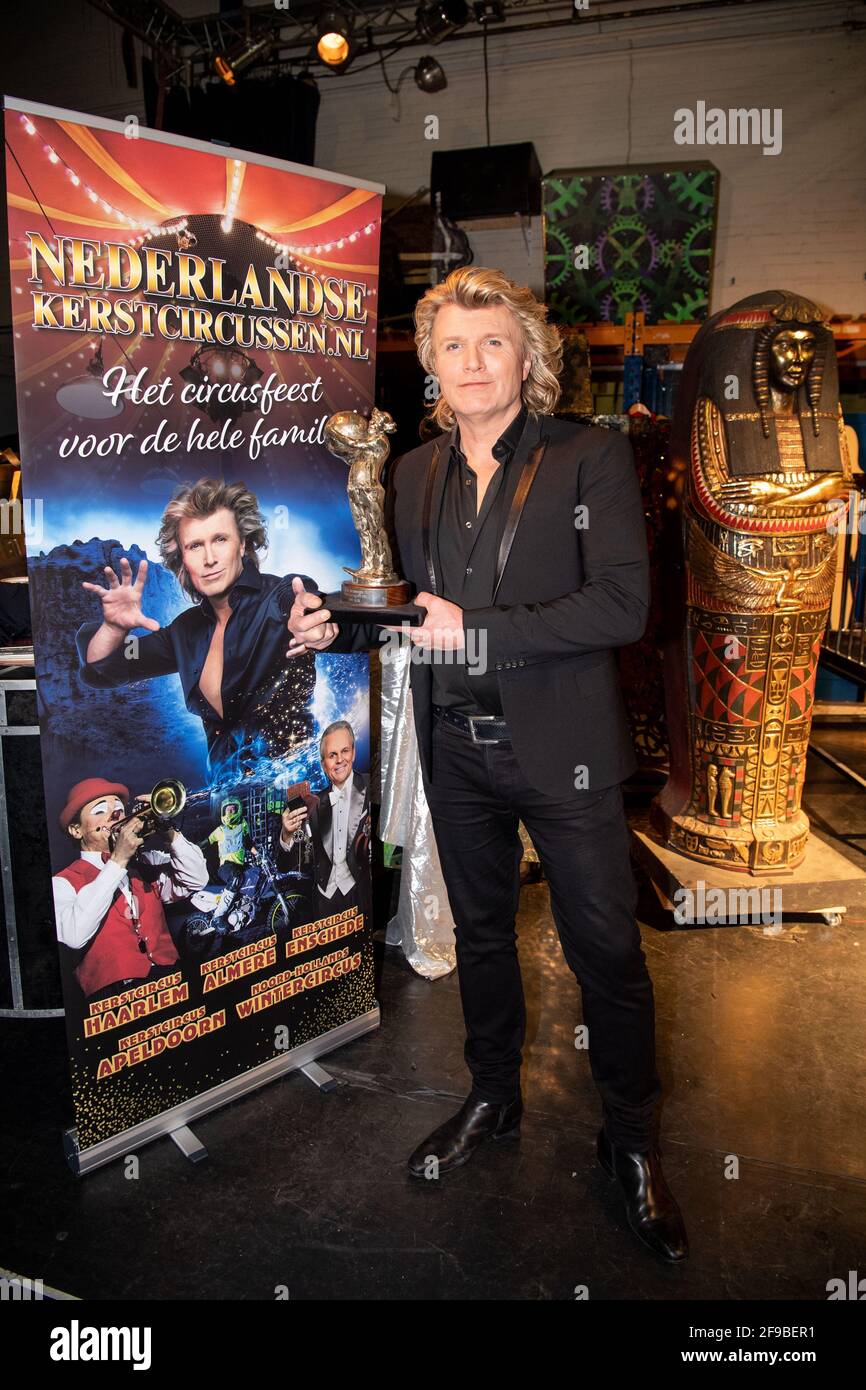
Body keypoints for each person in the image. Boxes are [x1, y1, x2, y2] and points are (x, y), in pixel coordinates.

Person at [286, 266, 688, 1263]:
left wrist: (479, 630)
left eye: (491, 342)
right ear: (429, 364)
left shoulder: (586, 457)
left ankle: (631, 1142)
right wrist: (328, 623)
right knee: (479, 934)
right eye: (451, 346)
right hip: (454, 750)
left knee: (605, 950)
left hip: (566, 755)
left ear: (527, 357)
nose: (471, 362)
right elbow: (400, 604)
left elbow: (621, 606)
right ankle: (491, 1097)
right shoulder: (411, 471)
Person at [75, 479, 318, 779]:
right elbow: (104, 669)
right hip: (228, 801)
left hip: (296, 788)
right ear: (182, 558)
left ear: (242, 543)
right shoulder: (184, 632)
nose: (209, 558)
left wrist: (308, 615)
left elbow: (298, 598)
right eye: (195, 546)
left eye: (220, 539)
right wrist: (113, 628)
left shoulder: (277, 599)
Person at [53, 777, 208, 1000]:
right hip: (114, 1000)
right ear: (76, 830)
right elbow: (75, 935)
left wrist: (168, 831)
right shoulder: (62, 882)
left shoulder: (146, 863)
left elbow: (197, 879)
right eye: (100, 811)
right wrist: (118, 861)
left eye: (118, 808)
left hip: (171, 981)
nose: (115, 814)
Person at [278, 721, 371, 925]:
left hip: (363, 896)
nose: (339, 760)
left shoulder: (373, 788)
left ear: (353, 753)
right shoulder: (313, 804)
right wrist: (287, 835)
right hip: (324, 903)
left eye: (344, 751)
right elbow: (295, 863)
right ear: (323, 764)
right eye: (331, 755)